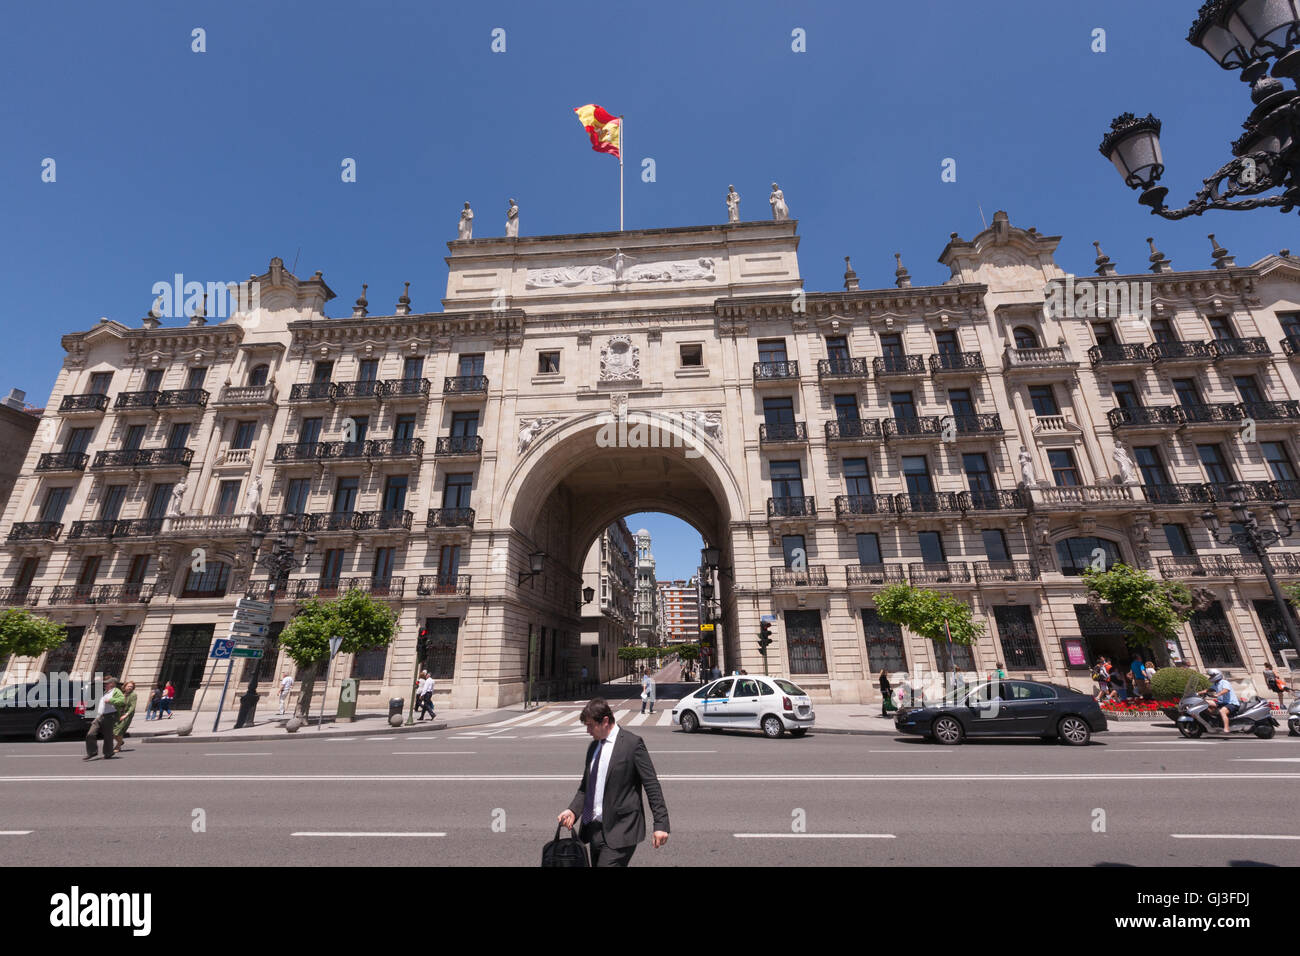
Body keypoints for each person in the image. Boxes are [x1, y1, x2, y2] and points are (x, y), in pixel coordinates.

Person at [556, 698, 670, 867]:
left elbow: (651, 784)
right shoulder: (593, 747)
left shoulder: (632, 744)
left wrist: (661, 824)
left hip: (621, 830)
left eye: (590, 725)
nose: (587, 731)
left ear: (605, 721)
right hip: (594, 829)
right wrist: (573, 810)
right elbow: (586, 787)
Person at [85, 677, 125, 760]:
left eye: (106, 683)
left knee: (108, 735)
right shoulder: (105, 692)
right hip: (100, 716)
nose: (105, 684)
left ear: (112, 684)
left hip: (110, 716)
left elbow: (122, 700)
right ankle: (92, 752)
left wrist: (111, 700)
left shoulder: (116, 691)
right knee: (90, 734)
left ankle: (108, 753)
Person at [112, 681, 138, 754]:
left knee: (118, 731)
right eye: (129, 686)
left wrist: (126, 715)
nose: (130, 687)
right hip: (119, 714)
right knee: (113, 731)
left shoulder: (133, 695)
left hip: (127, 715)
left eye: (131, 687)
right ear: (125, 686)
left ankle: (118, 745)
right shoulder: (122, 694)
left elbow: (132, 707)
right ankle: (120, 742)